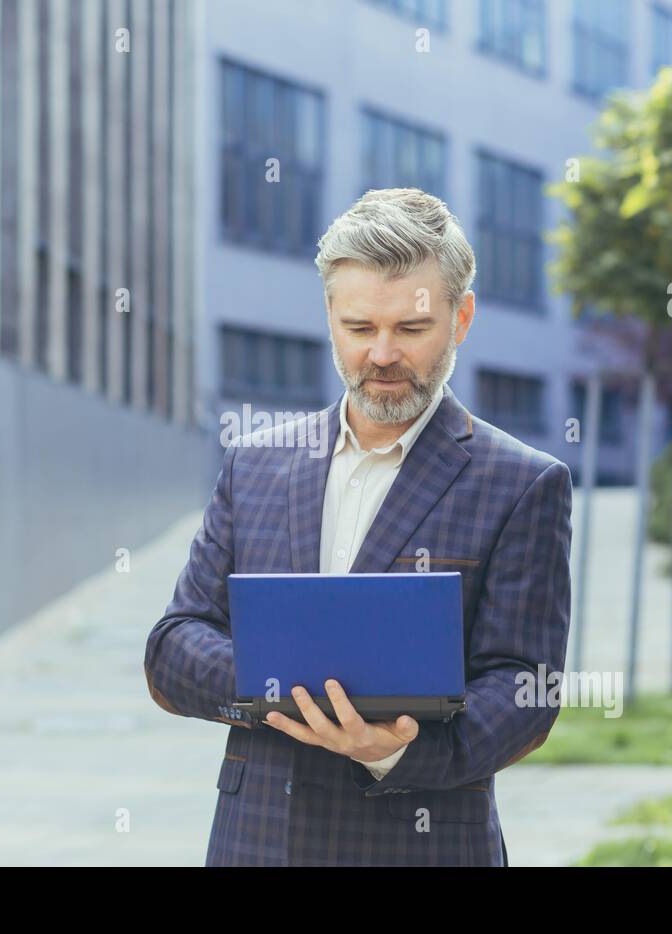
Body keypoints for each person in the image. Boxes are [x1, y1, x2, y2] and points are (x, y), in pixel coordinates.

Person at [144, 187, 572, 866]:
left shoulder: (522, 483)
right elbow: (172, 649)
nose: (380, 355)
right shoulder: (255, 463)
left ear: (460, 319)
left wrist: (395, 748)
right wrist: (286, 686)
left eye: (410, 329)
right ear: (330, 317)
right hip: (258, 842)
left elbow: (527, 689)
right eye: (359, 327)